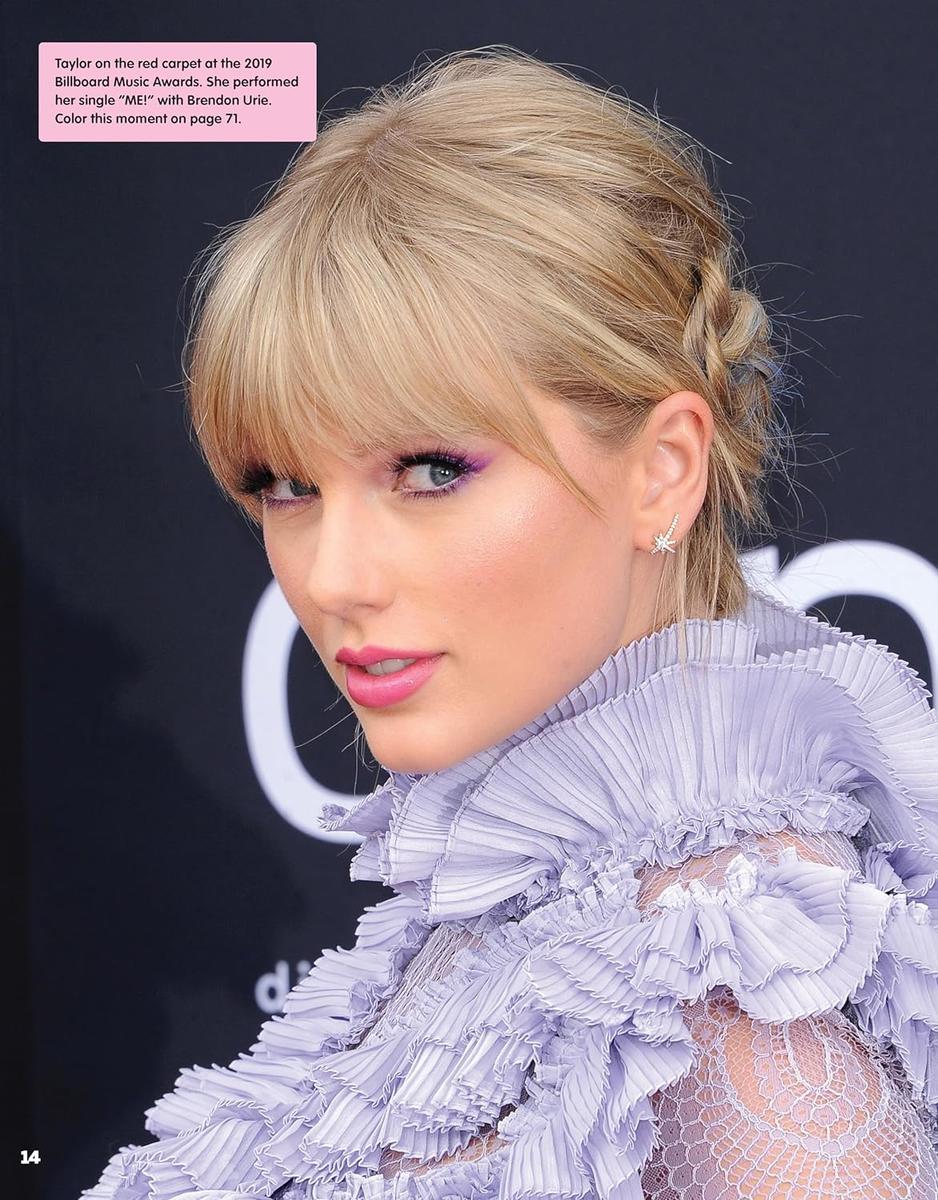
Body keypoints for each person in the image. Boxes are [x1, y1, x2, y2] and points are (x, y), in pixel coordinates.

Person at [82, 45, 938, 1200]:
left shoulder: (729, 1015)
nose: (330, 577)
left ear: (663, 469)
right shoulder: (519, 929)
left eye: (430, 470)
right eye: (285, 485)